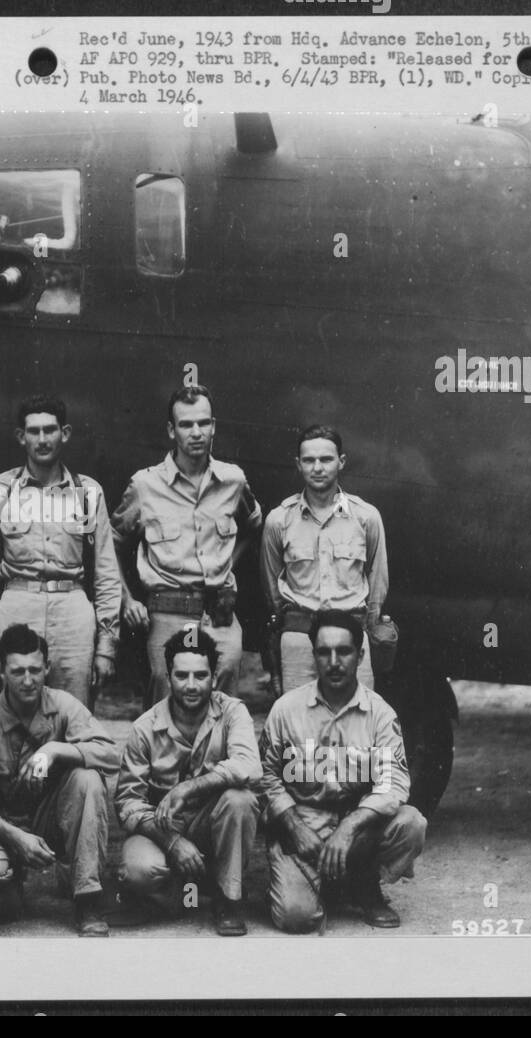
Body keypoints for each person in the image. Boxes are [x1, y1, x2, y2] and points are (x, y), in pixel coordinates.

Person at [258, 610, 426, 932]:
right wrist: (293, 826)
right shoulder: (286, 710)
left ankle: (364, 883)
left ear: (360, 655)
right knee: (297, 918)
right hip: (305, 824)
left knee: (411, 823)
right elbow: (266, 777)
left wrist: (350, 826)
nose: (334, 662)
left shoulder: (379, 713)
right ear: (314, 656)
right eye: (324, 652)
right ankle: (317, 882)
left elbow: (394, 782)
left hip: (358, 827)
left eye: (344, 651)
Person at [0, 624, 118, 936]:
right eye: (18, 671)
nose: (28, 680)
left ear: (47, 668)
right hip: (3, 829)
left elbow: (111, 756)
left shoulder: (63, 706)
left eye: (35, 669)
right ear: (1, 672)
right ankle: (9, 884)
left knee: (87, 779)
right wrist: (15, 838)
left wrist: (56, 749)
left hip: (52, 821)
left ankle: (88, 896)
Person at [112, 384, 263, 706]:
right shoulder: (145, 485)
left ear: (214, 427)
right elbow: (110, 545)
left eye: (203, 423)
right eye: (185, 424)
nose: (196, 432)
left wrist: (227, 565)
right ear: (171, 430)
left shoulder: (233, 481)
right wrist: (127, 600)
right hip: (167, 613)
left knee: (222, 706)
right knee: (167, 705)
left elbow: (253, 526)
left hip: (219, 617)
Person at [0, 394, 122, 707]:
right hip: (16, 604)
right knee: (11, 714)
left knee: (74, 713)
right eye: (33, 431)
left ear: (64, 434)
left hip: (73, 611)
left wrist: (107, 643)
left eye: (50, 430)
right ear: (20, 437)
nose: (42, 439)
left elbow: (107, 572)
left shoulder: (88, 492)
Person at [113, 627, 262, 936]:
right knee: (137, 871)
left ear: (215, 675)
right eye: (182, 676)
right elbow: (127, 804)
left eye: (200, 675)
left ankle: (227, 897)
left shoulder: (233, 712)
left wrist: (190, 786)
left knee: (241, 799)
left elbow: (249, 765)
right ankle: (185, 889)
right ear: (168, 676)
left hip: (213, 823)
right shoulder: (145, 727)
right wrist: (172, 842)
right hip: (164, 828)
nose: (191, 686)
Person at [260, 425, 388, 696]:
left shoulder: (365, 517)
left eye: (326, 459)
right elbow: (272, 587)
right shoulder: (279, 520)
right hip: (298, 640)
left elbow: (377, 581)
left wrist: (364, 627)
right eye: (309, 460)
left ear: (341, 462)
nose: (317, 467)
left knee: (357, 720)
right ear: (298, 464)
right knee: (299, 725)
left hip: (350, 638)